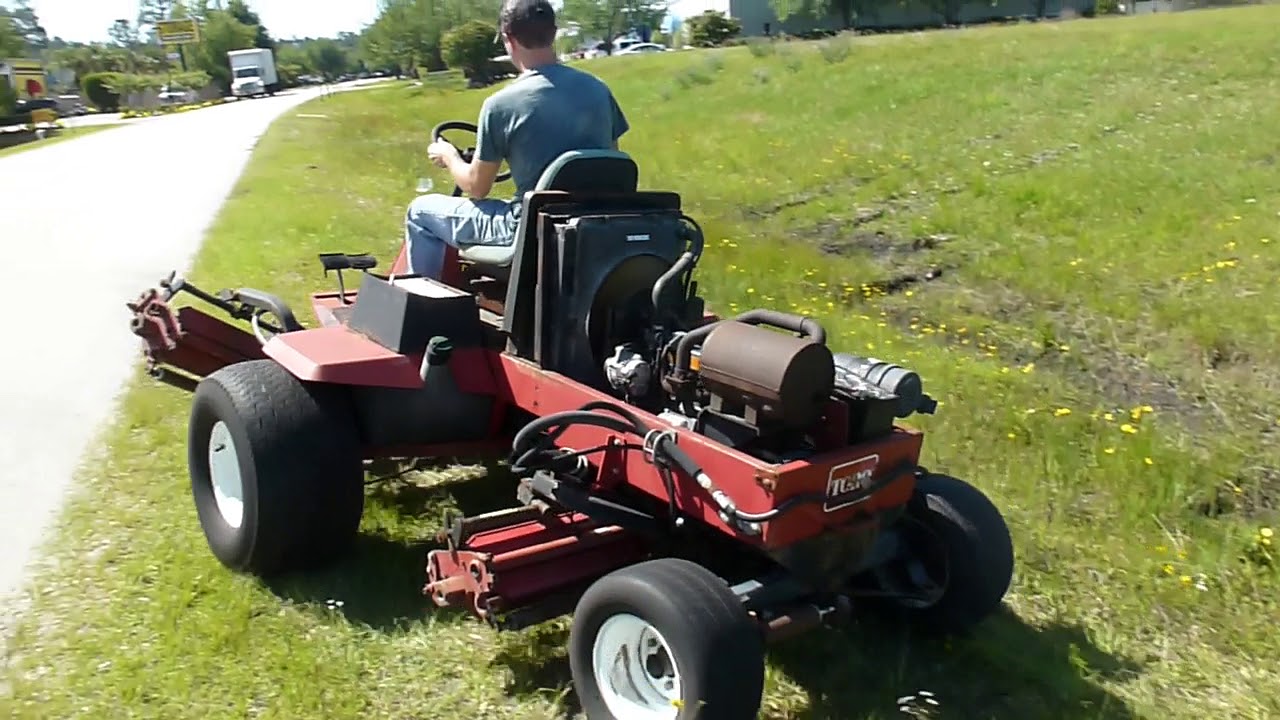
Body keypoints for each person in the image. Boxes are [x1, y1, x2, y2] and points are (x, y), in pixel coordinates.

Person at [404, 0, 631, 279]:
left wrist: (449, 156)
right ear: (554, 32)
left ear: (508, 39)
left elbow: (477, 187)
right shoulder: (598, 90)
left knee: (420, 211)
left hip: (524, 228)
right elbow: (611, 159)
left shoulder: (500, 105)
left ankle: (423, 300)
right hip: (595, 223)